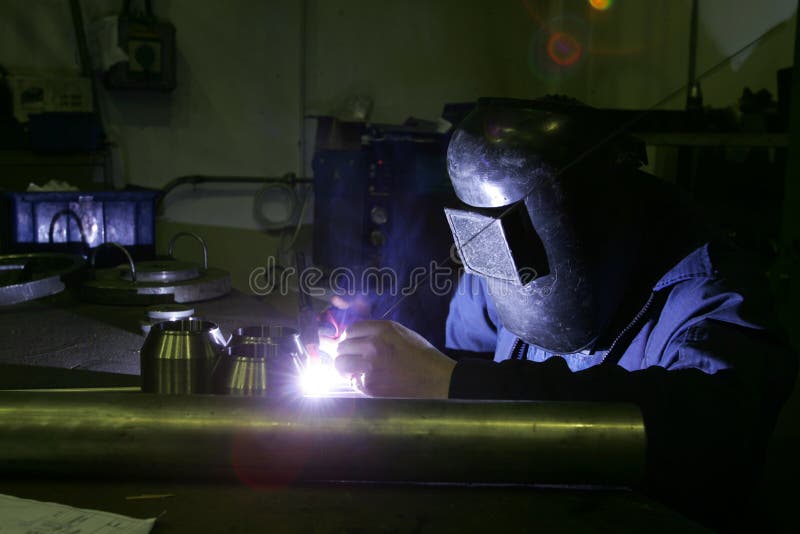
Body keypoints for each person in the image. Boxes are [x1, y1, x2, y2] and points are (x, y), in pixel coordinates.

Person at [334, 96, 796, 528]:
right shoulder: (500, 255)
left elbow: (707, 438)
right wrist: (389, 350)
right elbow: (463, 352)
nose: (497, 260)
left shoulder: (711, 294)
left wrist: (453, 385)